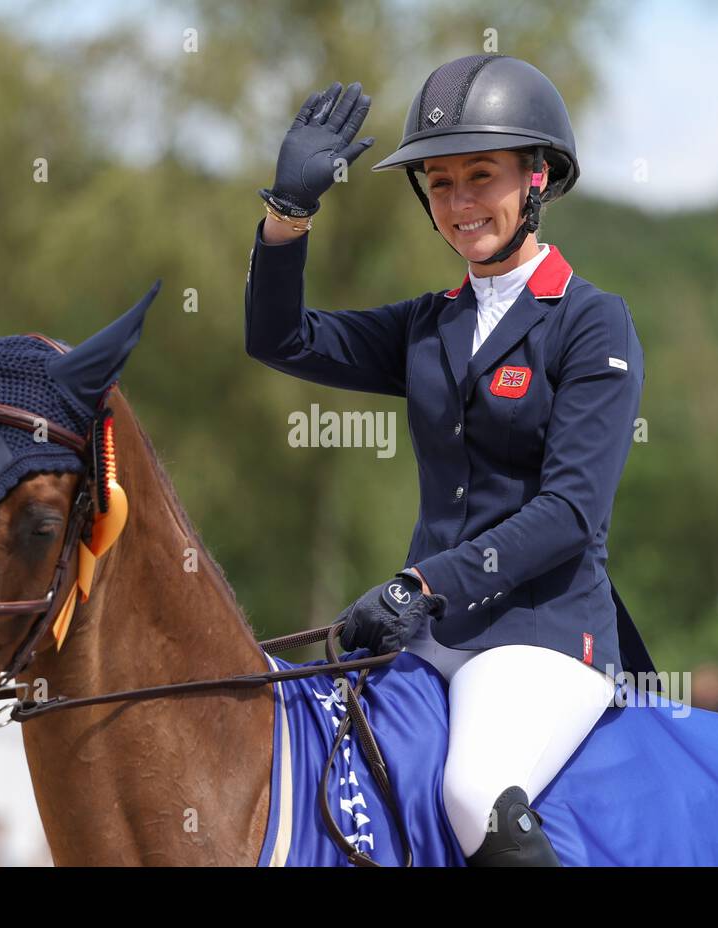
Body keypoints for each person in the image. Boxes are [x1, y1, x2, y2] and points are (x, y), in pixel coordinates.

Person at [245, 54, 655, 866]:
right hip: (428, 638)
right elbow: (279, 338)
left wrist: (425, 583)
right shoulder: (429, 324)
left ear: (536, 178)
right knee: (334, 764)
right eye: (440, 184)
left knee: (473, 791)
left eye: (481, 177)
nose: (461, 203)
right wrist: (289, 214)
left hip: (542, 639)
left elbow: (573, 513)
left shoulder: (592, 324)